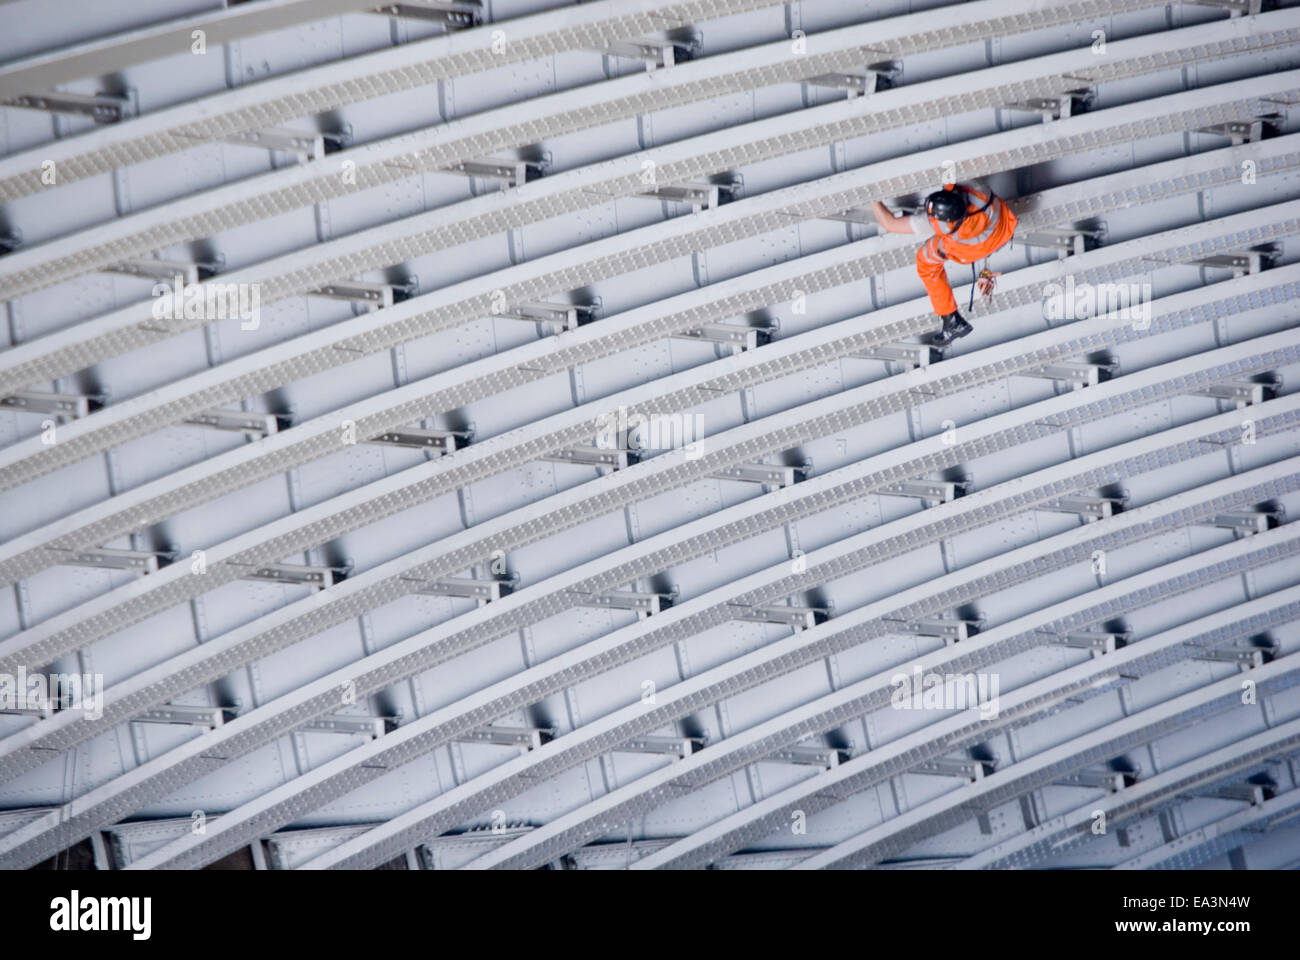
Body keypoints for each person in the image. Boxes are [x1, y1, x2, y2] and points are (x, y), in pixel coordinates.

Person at [871, 181, 1018, 346]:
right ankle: (950, 321)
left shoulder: (939, 224)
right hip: (1002, 230)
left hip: (968, 249)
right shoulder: (979, 192)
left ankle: (952, 320)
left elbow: (889, 224)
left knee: (925, 262)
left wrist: (872, 198)